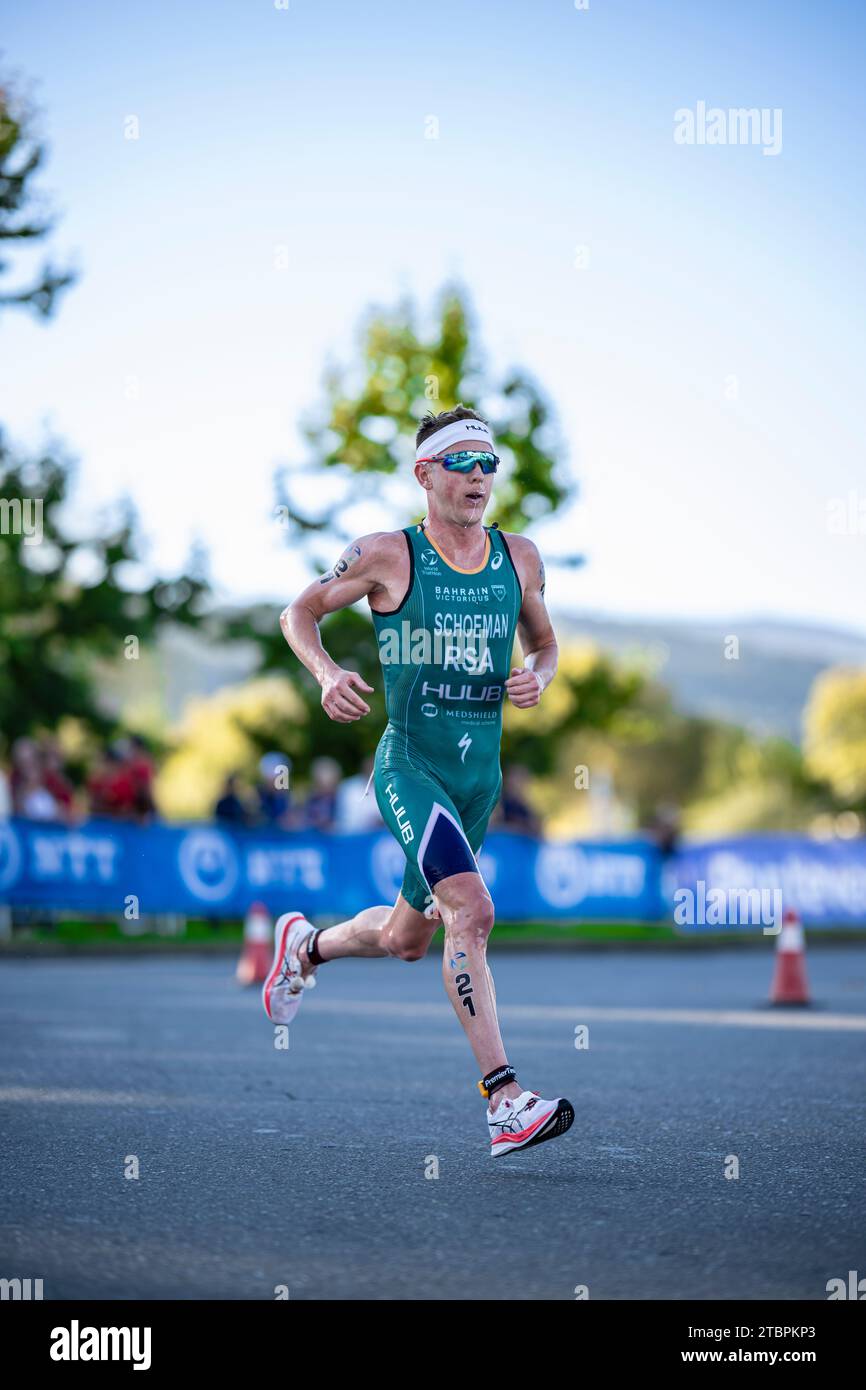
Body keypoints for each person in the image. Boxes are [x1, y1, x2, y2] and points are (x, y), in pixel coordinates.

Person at [264, 405, 573, 1157]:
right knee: (470, 911)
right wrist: (328, 671)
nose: (479, 475)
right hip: (411, 767)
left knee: (408, 938)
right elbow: (297, 612)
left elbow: (547, 645)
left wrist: (535, 675)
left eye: (488, 463)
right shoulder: (386, 554)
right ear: (425, 473)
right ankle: (504, 1099)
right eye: (461, 462)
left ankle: (304, 946)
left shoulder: (520, 557)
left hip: (478, 780)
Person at [304, 756, 341, 831]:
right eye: (320, 785)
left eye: (330, 784)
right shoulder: (312, 799)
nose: (325, 790)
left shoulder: (342, 799)